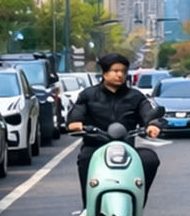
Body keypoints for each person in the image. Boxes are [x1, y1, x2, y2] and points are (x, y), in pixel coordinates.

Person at [66, 52, 161, 199]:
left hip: (127, 148)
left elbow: (147, 112)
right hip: (95, 146)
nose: (120, 75)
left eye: (123, 71)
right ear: (104, 73)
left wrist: (153, 124)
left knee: (150, 159)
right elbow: (77, 112)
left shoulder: (135, 96)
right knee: (85, 159)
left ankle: (138, 200)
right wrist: (75, 123)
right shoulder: (88, 95)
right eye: (115, 71)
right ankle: (88, 204)